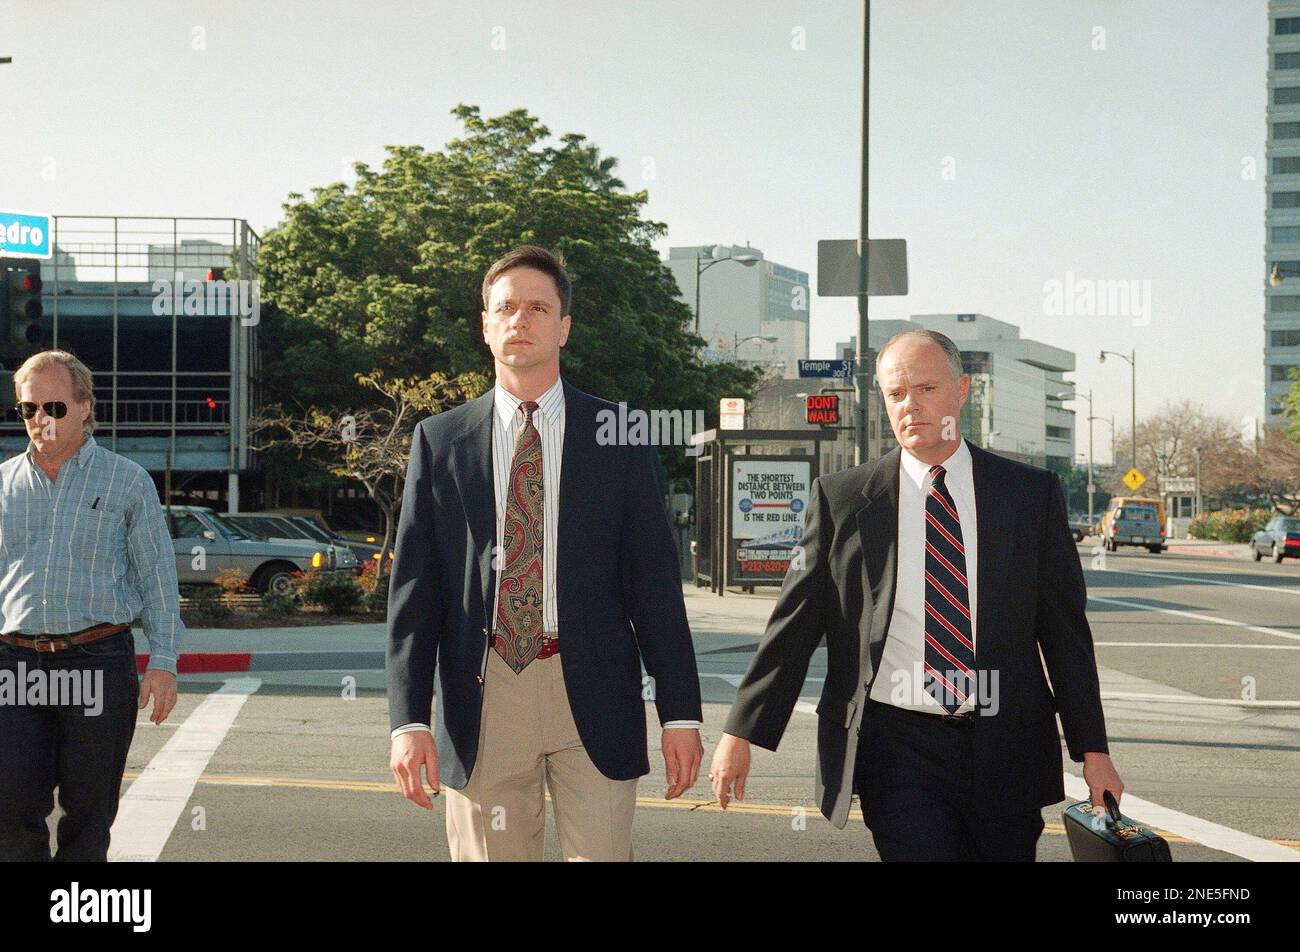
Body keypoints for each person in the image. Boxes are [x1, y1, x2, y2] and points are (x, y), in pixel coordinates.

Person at [709, 329, 1122, 861]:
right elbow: (794, 624)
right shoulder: (843, 501)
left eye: (925, 389)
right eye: (897, 394)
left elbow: (1065, 635)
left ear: (962, 390)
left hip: (1007, 745)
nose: (910, 406)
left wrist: (1094, 751)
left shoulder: (1028, 495)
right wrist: (740, 732)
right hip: (897, 748)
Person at [387, 245, 703, 861]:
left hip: (595, 692)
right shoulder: (440, 440)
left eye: (538, 307)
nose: (520, 320)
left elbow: (654, 588)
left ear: (563, 327)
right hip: (484, 696)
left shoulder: (620, 435)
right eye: (505, 308)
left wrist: (681, 714)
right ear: (485, 325)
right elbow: (415, 595)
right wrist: (409, 721)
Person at [0, 349, 182, 862]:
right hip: (13, 664)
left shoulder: (126, 481)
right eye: (28, 409)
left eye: (54, 408)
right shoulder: (2, 484)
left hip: (97, 661)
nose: (41, 420)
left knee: (89, 815)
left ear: (84, 407)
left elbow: (158, 580)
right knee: (11, 807)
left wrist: (164, 662)